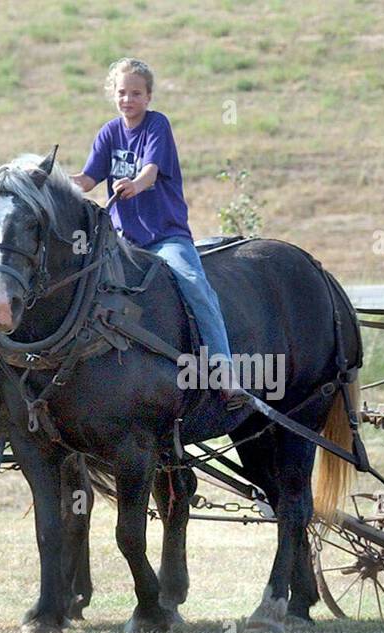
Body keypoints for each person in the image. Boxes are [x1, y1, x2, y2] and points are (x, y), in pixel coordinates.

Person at [70, 57, 240, 405]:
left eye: (135, 93)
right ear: (113, 95)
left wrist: (135, 183)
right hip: (123, 242)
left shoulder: (156, 126)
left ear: (148, 97)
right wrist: (49, 181)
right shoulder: (108, 133)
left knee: (193, 282)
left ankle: (224, 369)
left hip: (165, 236)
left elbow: (150, 172)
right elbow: (87, 180)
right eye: (122, 93)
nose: (127, 100)